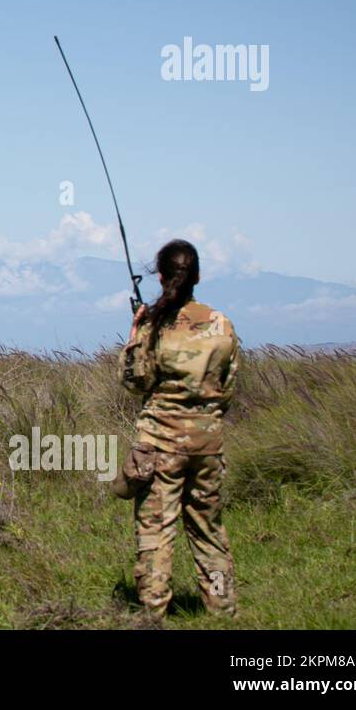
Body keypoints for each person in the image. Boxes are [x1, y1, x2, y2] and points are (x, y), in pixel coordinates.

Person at [118, 239, 240, 619]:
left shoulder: (155, 326)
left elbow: (135, 382)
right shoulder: (222, 324)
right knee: (208, 531)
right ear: (198, 275)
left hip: (159, 446)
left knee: (157, 533)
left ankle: (153, 614)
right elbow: (229, 387)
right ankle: (222, 609)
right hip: (208, 444)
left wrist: (135, 332)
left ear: (160, 276)